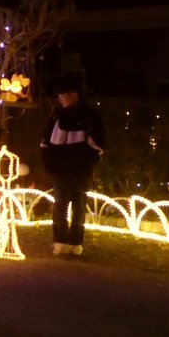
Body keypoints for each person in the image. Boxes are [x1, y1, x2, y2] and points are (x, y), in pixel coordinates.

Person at [40, 72, 106, 256]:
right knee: (61, 205)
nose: (62, 98)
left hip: (80, 170)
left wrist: (90, 162)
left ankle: (75, 242)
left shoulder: (90, 117)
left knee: (79, 206)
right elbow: (45, 142)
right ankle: (60, 241)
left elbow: (98, 143)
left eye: (66, 94)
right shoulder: (56, 117)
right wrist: (50, 165)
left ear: (75, 94)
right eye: (60, 95)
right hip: (60, 170)